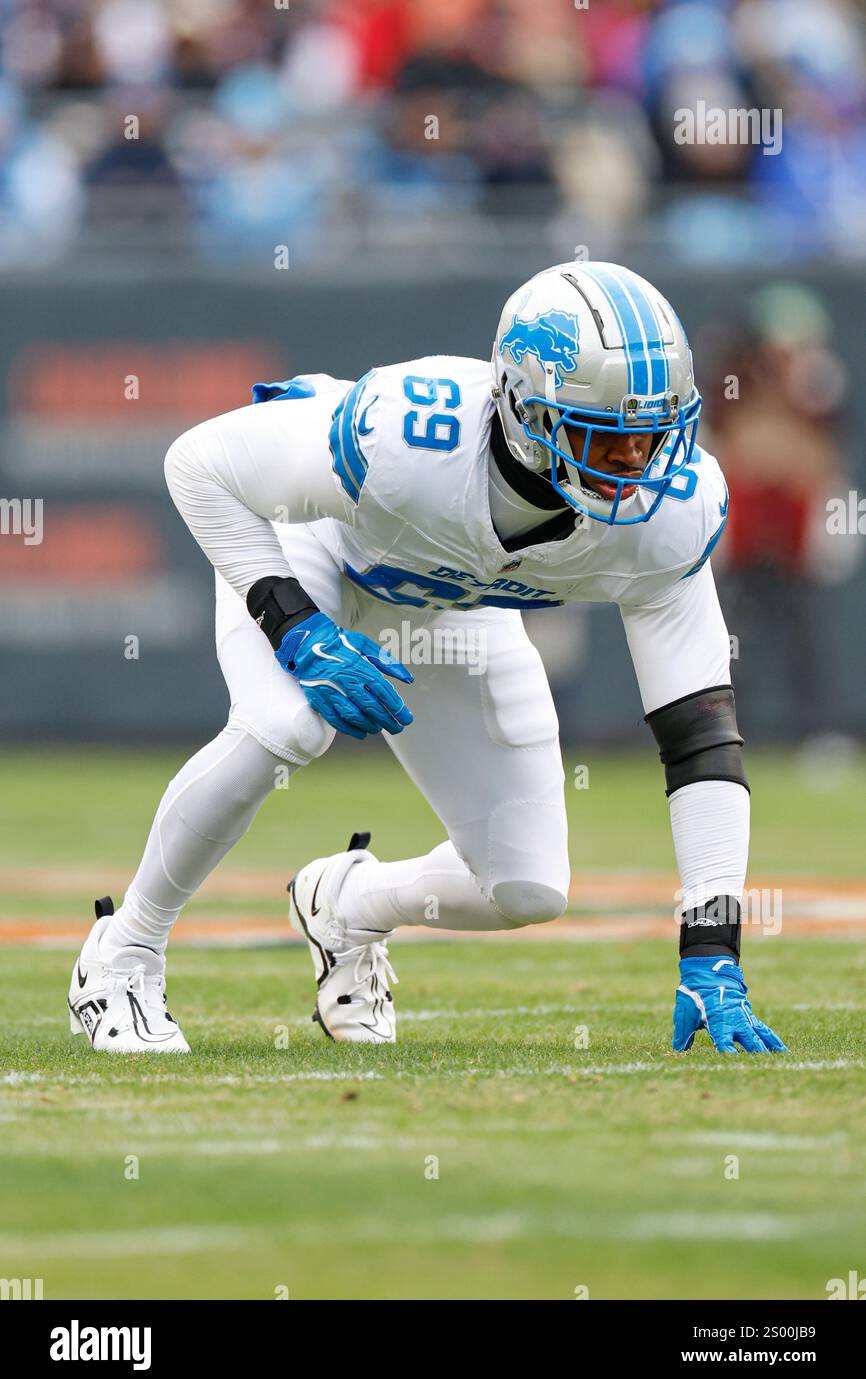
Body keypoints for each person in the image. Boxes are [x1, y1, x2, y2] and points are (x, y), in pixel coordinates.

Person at [67, 259, 785, 1057]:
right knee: (290, 724)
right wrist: (298, 630)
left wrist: (713, 949)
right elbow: (198, 466)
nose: (634, 462)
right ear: (522, 409)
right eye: (602, 435)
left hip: (447, 602)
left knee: (527, 888)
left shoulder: (671, 512)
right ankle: (124, 953)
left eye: (651, 432)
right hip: (319, 550)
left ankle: (349, 904)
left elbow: (700, 738)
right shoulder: (409, 435)